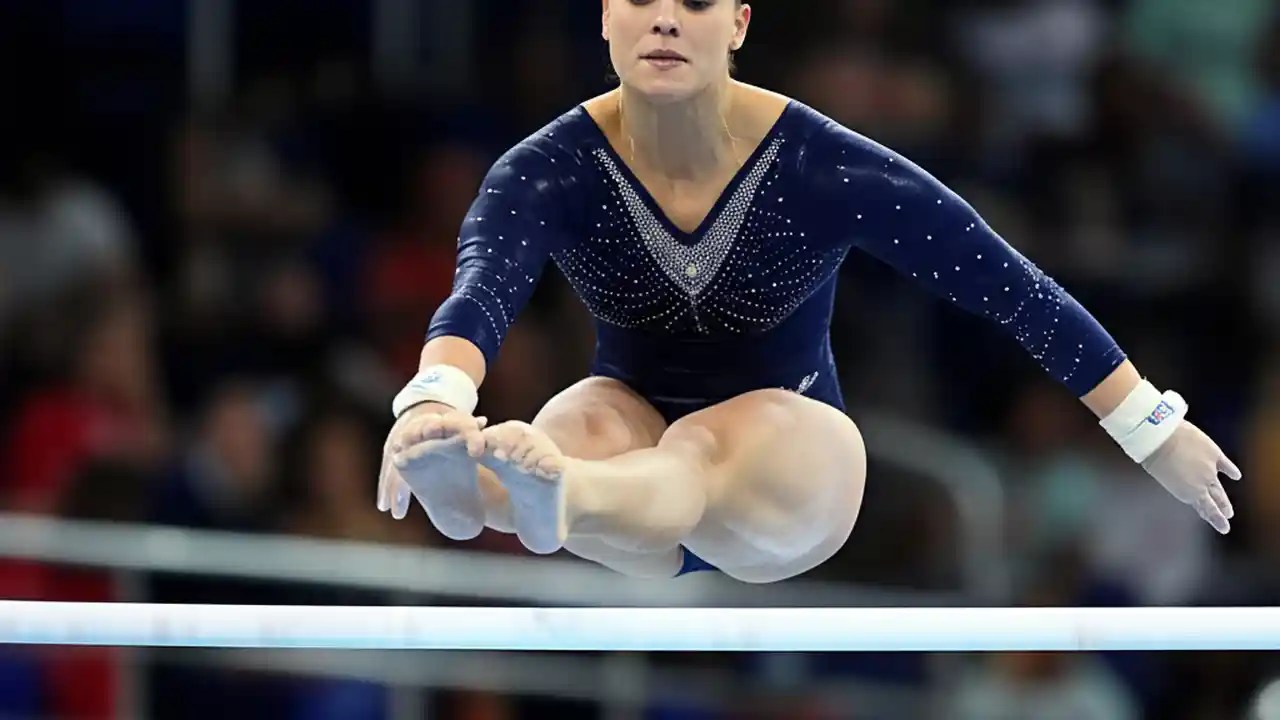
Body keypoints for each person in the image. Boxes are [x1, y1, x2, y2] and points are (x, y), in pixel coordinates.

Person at [375, 0, 1241, 582]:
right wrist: (435, 402)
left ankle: (544, 493)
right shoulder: (547, 168)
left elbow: (1009, 287)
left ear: (740, 22)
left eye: (699, 1)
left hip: (788, 463)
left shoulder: (819, 163)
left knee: (693, 454)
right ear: (606, 15)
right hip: (628, 459)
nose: (669, 17)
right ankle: (482, 493)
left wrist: (1150, 428)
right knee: (578, 422)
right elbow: (481, 294)